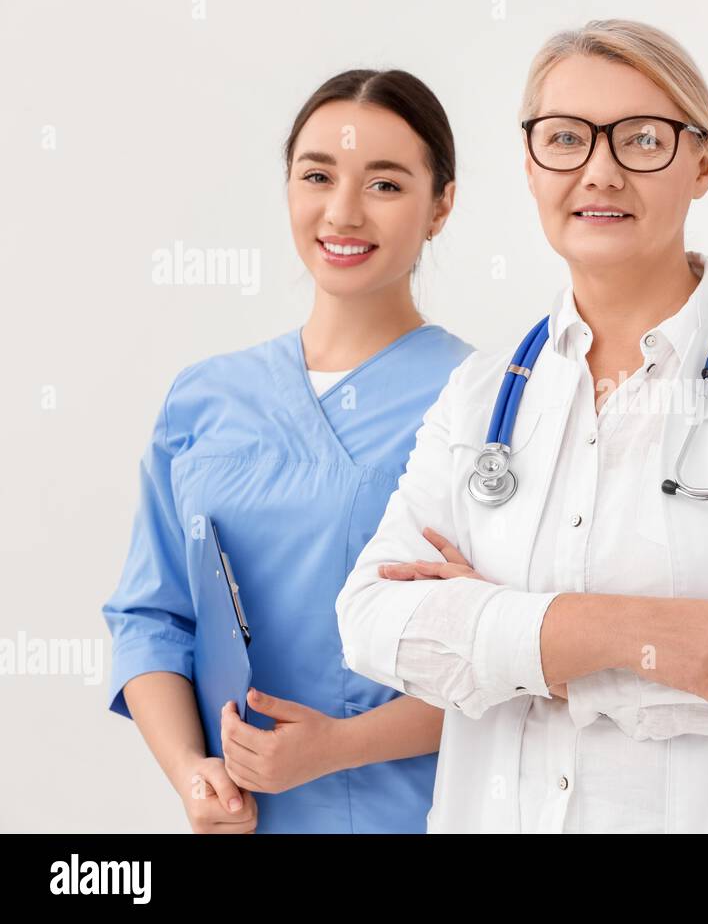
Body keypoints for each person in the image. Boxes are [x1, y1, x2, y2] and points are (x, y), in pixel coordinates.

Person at [336, 19, 708, 833]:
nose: (600, 171)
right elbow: (373, 622)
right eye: (565, 139)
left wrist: (500, 641)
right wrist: (631, 631)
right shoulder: (484, 391)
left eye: (642, 139)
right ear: (529, 164)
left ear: (704, 162)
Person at [102, 69, 472, 832]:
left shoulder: (483, 400)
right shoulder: (204, 397)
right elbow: (150, 616)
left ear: (442, 205)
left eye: (386, 184)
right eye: (317, 175)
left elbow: (507, 661)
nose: (342, 211)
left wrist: (338, 747)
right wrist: (192, 774)